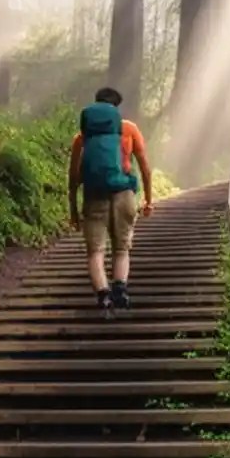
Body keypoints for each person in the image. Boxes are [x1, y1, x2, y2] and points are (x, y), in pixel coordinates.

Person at [68, 87, 154, 312]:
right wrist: (148, 199)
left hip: (94, 194)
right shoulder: (129, 129)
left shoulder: (83, 137)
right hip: (124, 194)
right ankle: (120, 290)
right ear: (116, 108)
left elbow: (74, 177)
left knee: (96, 251)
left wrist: (73, 210)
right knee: (121, 248)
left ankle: (103, 295)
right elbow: (145, 168)